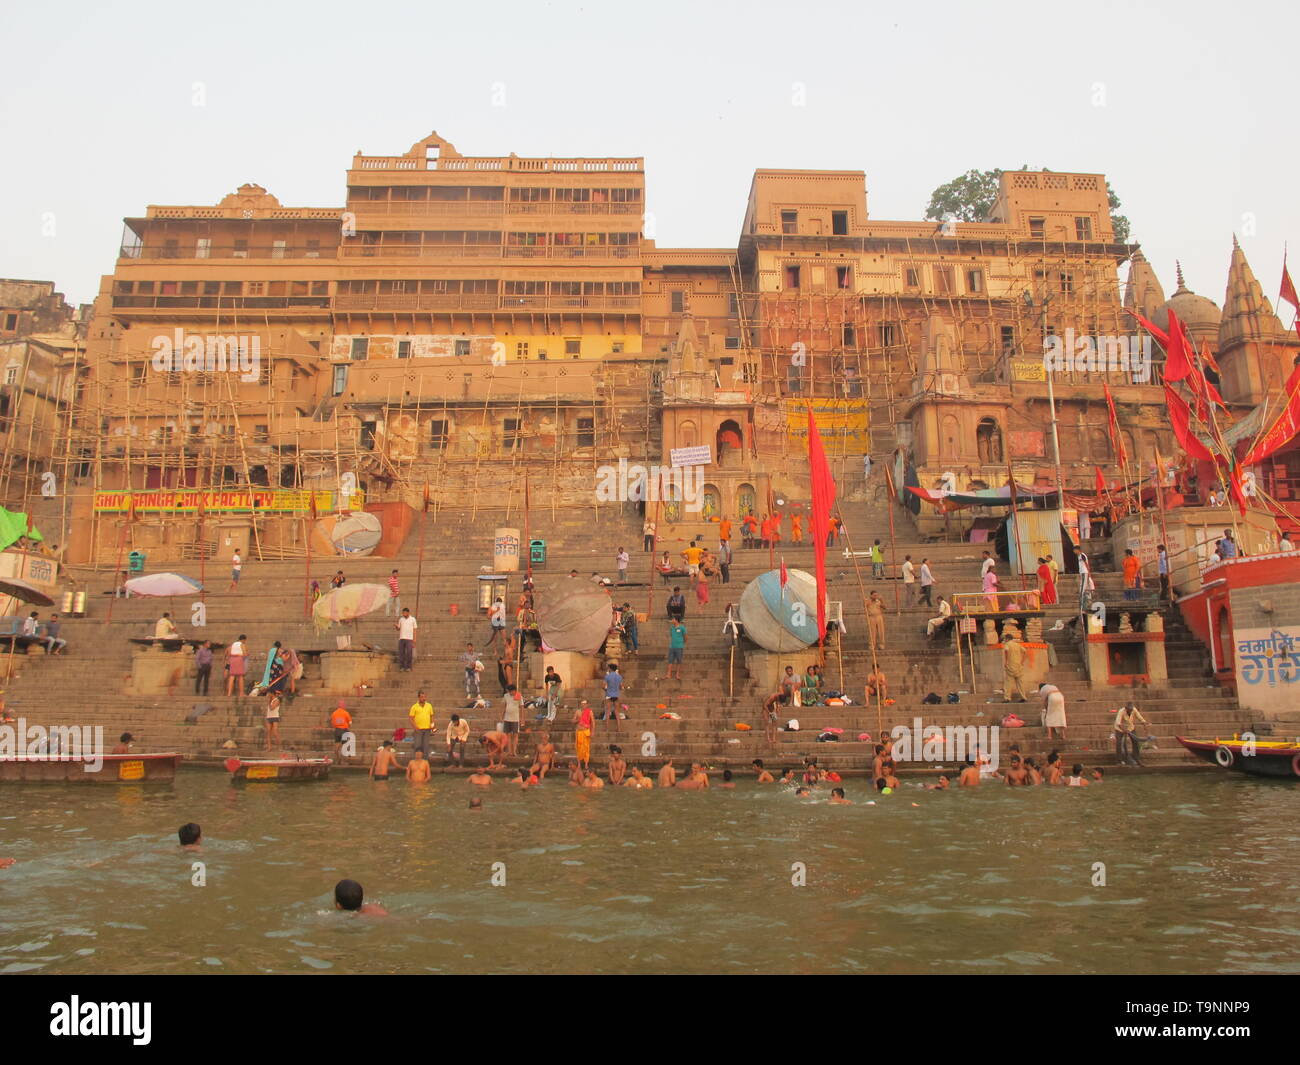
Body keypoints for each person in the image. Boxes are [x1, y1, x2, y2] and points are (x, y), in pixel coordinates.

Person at [1113, 701, 1149, 766]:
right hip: (1119, 729)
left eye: (1131, 710)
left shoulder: (1134, 709)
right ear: (1126, 708)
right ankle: (1119, 761)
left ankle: (1136, 758)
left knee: (1135, 742)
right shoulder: (1121, 711)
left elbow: (1140, 717)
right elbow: (1118, 723)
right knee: (1119, 743)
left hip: (1130, 728)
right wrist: (1124, 730)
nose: (1130, 711)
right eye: (1129, 710)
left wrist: (1144, 724)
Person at [1002, 631, 1029, 702]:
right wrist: (1022, 661)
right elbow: (1025, 651)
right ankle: (1024, 697)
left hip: (1010, 665)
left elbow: (1006, 651)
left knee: (1008, 683)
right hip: (1018, 666)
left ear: (1007, 639)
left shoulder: (1007, 644)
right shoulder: (1017, 644)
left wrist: (1006, 661)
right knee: (1020, 683)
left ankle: (1007, 698)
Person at [408, 690, 435, 757]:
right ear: (419, 698)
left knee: (426, 746)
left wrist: (432, 726)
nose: (424, 698)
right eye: (422, 697)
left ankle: (425, 761)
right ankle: (416, 761)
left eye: (424, 697)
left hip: (427, 729)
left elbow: (432, 717)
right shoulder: (414, 707)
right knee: (417, 745)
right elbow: (411, 718)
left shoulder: (429, 705)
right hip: (418, 729)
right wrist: (415, 727)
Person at [573, 699, 594, 771]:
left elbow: (593, 723)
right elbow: (573, 721)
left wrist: (592, 732)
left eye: (584, 703)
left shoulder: (589, 711)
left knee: (586, 748)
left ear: (587, 704)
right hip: (579, 732)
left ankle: (586, 764)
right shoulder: (577, 711)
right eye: (582, 703)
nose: (583, 705)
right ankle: (579, 763)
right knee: (578, 747)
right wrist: (578, 720)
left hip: (586, 731)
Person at [502, 684, 523, 755]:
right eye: (509, 691)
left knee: (515, 735)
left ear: (514, 690)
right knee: (508, 735)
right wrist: (501, 715)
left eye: (511, 691)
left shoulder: (519, 695)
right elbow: (504, 706)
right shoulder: (506, 696)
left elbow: (522, 707)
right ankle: (509, 751)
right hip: (507, 718)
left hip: (515, 719)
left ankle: (514, 751)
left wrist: (522, 718)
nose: (510, 693)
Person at [394, 607, 417, 672]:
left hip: (409, 639)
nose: (404, 614)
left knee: (409, 653)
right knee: (401, 653)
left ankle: (408, 667)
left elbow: (415, 630)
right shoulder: (401, 619)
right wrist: (396, 626)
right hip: (401, 638)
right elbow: (398, 629)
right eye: (403, 613)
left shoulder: (413, 619)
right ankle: (401, 667)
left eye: (405, 613)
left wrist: (414, 640)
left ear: (408, 613)